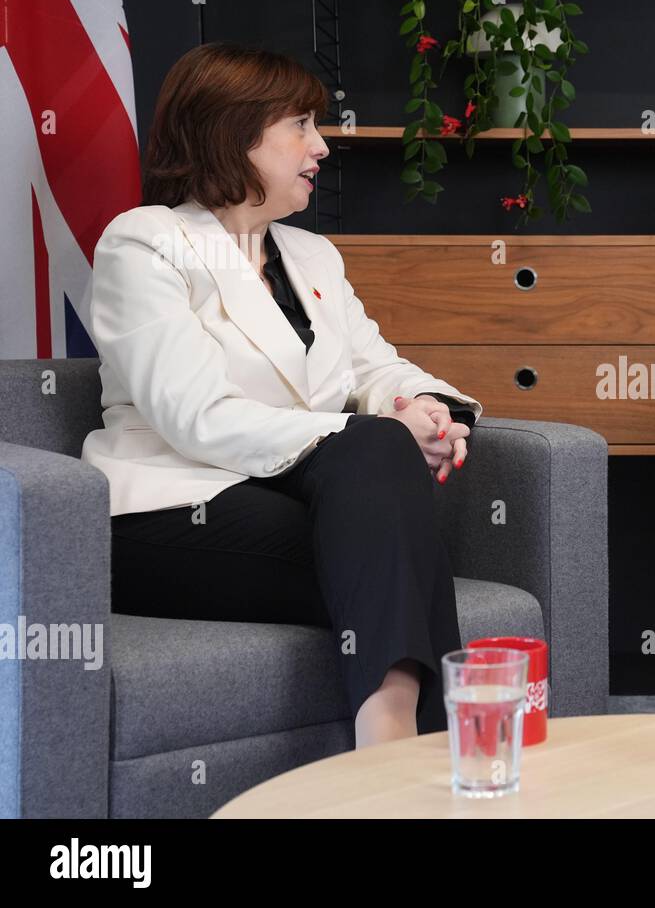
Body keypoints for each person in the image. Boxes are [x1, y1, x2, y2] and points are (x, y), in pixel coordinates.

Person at [81, 42, 483, 747]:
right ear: (231, 133)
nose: (321, 146)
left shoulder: (311, 254)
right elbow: (196, 418)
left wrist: (423, 408)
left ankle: (389, 754)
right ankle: (413, 757)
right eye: (299, 125)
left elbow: (373, 367)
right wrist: (372, 433)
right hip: (172, 511)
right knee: (391, 527)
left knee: (384, 524)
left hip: (295, 500)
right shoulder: (144, 244)